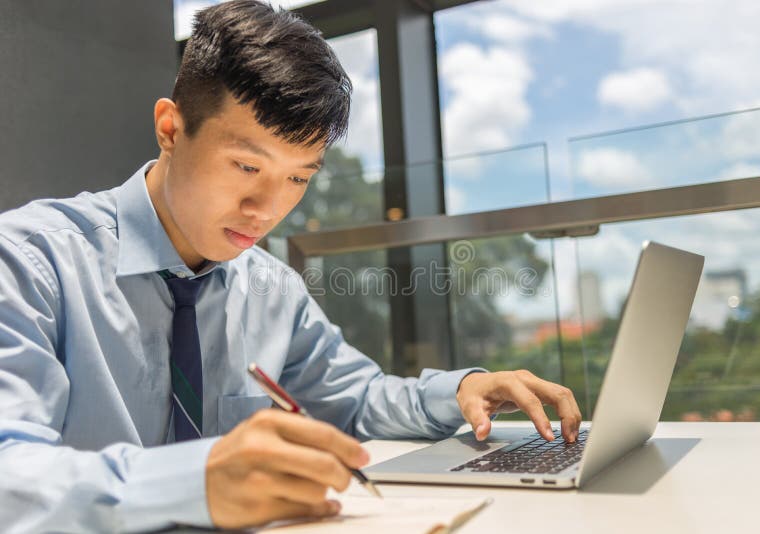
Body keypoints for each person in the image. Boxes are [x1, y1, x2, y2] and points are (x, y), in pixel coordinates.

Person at [0, 1, 581, 531]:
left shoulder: (269, 287)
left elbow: (355, 400)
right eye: (247, 168)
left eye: (299, 178)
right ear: (171, 129)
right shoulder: (30, 264)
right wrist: (191, 484)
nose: (268, 210)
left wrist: (465, 390)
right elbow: (11, 475)